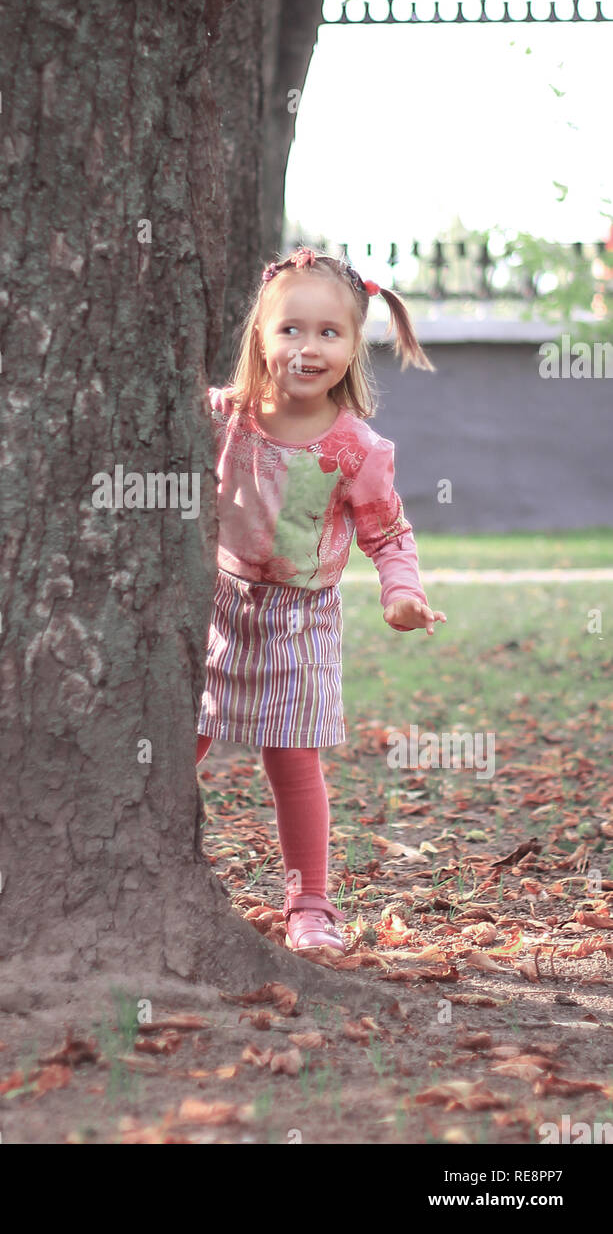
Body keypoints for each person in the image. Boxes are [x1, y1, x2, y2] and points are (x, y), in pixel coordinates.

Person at [195, 246, 447, 953]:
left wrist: (402, 593)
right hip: (214, 605)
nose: (307, 348)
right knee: (175, 738)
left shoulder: (356, 449)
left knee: (292, 760)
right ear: (260, 337)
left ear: (352, 346)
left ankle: (310, 902)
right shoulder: (224, 417)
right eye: (290, 330)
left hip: (299, 621)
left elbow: (388, 532)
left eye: (328, 333)